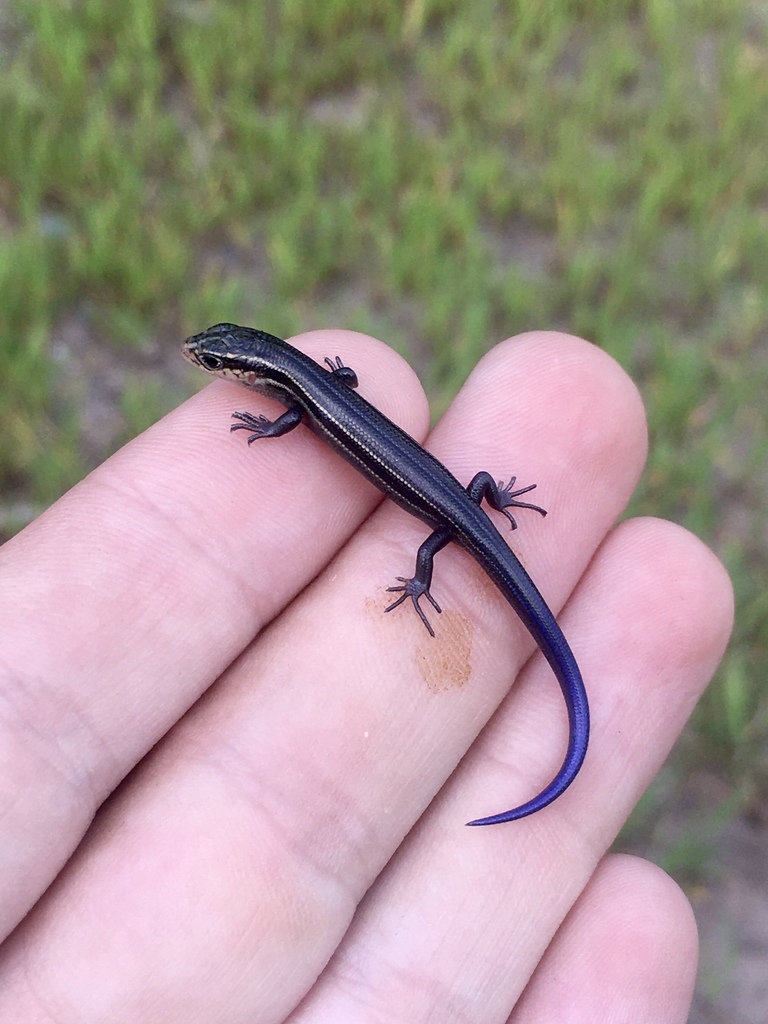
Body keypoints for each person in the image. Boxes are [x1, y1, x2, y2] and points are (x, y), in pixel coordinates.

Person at [0, 329, 732, 1021]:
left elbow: (300, 415)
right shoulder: (319, 380)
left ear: (254, 373)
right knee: (469, 503)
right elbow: (342, 381)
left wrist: (273, 432)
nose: (207, 363)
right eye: (213, 357)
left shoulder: (296, 402)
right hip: (457, 499)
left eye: (214, 360)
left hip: (441, 520)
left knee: (440, 551)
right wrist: (484, 498)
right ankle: (494, 536)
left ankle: (436, 591)